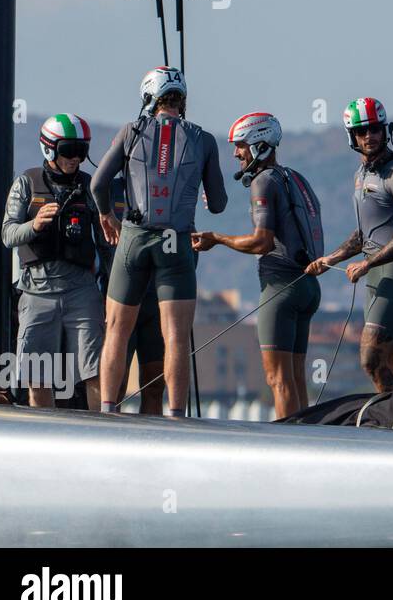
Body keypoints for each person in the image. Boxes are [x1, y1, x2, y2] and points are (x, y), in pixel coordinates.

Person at [91, 67, 228, 417]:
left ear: (148, 98)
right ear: (182, 100)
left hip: (134, 237)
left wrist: (107, 216)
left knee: (117, 331)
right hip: (175, 241)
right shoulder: (204, 139)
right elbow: (219, 203)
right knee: (176, 337)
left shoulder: (130, 132)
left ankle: (108, 410)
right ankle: (176, 415)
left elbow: (97, 185)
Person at [193, 112, 324, 418]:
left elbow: (262, 241)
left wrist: (217, 238)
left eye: (241, 145)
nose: (236, 153)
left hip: (281, 289)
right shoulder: (296, 178)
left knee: (277, 380)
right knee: (294, 378)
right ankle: (305, 443)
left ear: (259, 145)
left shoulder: (263, 182)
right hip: (307, 288)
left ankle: (286, 448)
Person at [305, 98, 393, 393]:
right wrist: (331, 259)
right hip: (376, 281)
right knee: (391, 367)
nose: (369, 136)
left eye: (375, 129)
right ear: (352, 137)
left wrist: (367, 264)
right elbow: (366, 234)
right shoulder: (361, 176)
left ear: (385, 130)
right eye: (361, 132)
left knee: (371, 360)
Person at [0, 115, 108, 408]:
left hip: (82, 290)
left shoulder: (90, 187)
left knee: (96, 370)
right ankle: (44, 440)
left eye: (81, 151)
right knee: (38, 375)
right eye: (68, 150)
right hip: (36, 291)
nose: (75, 158)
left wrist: (110, 295)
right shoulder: (26, 183)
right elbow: (8, 234)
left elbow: (106, 242)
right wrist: (34, 225)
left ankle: (104, 436)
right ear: (49, 149)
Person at [97, 173, 165, 416]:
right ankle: (111, 440)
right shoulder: (107, 191)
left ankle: (153, 445)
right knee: (116, 387)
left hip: (155, 301)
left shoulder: (166, 190)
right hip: (119, 300)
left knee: (155, 385)